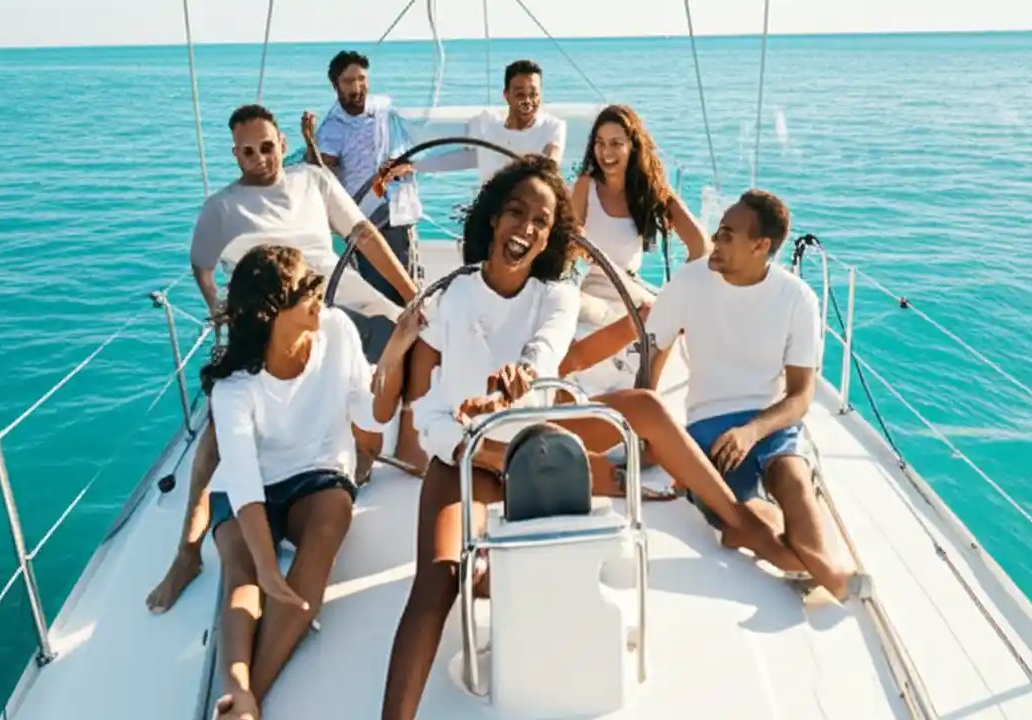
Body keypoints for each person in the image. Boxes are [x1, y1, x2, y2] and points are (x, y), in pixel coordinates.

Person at [376, 156, 804, 720]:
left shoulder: (557, 296)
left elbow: (546, 357)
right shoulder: (444, 302)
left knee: (644, 406)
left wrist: (519, 381)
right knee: (436, 583)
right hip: (467, 458)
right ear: (493, 218)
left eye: (542, 222)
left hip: (538, 436)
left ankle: (739, 518)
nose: (526, 228)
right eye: (515, 212)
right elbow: (426, 417)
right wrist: (481, 445)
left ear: (552, 236)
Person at [144, 103, 418, 616]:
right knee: (216, 437)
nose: (259, 159)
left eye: (267, 147)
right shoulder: (221, 207)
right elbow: (202, 266)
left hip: (331, 296)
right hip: (265, 322)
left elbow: (361, 234)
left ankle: (367, 461)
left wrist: (412, 295)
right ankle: (187, 551)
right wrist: (220, 316)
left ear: (281, 142)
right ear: (235, 153)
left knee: (412, 339)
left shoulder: (312, 181)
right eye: (247, 151)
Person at [644, 189, 866, 602]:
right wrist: (643, 421)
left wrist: (751, 431)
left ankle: (808, 561)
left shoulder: (797, 298)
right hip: (707, 428)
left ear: (760, 246)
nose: (714, 239)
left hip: (770, 424)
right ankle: (827, 572)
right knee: (743, 511)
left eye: (727, 234)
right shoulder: (691, 281)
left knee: (794, 482)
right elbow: (654, 352)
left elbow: (800, 396)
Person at [201, 245, 393, 720]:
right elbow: (243, 480)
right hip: (252, 490)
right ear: (270, 313)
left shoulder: (338, 330)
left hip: (318, 473)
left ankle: (249, 700)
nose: (318, 290)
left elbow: (368, 414)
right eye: (304, 287)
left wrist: (398, 353)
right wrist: (268, 568)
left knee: (329, 528)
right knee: (243, 576)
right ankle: (235, 686)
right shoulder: (233, 388)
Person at [571, 104, 710, 328]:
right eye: (600, 143)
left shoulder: (652, 190)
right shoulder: (584, 187)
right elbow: (569, 243)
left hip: (632, 292)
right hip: (592, 294)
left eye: (616, 144)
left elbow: (700, 245)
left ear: (632, 146)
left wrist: (678, 294)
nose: (606, 152)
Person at [307, 50, 421, 308]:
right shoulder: (331, 128)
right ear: (335, 85)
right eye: (348, 81)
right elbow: (322, 172)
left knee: (408, 285)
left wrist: (405, 162)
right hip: (363, 218)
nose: (357, 88)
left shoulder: (385, 110)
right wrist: (309, 140)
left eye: (362, 79)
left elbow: (411, 140)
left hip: (394, 211)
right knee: (377, 293)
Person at [381, 59, 566, 185]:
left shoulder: (552, 126)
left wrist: (547, 163)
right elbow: (463, 159)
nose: (528, 101)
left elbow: (553, 158)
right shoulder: (487, 126)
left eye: (534, 94)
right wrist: (413, 166)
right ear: (506, 95)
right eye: (520, 94)